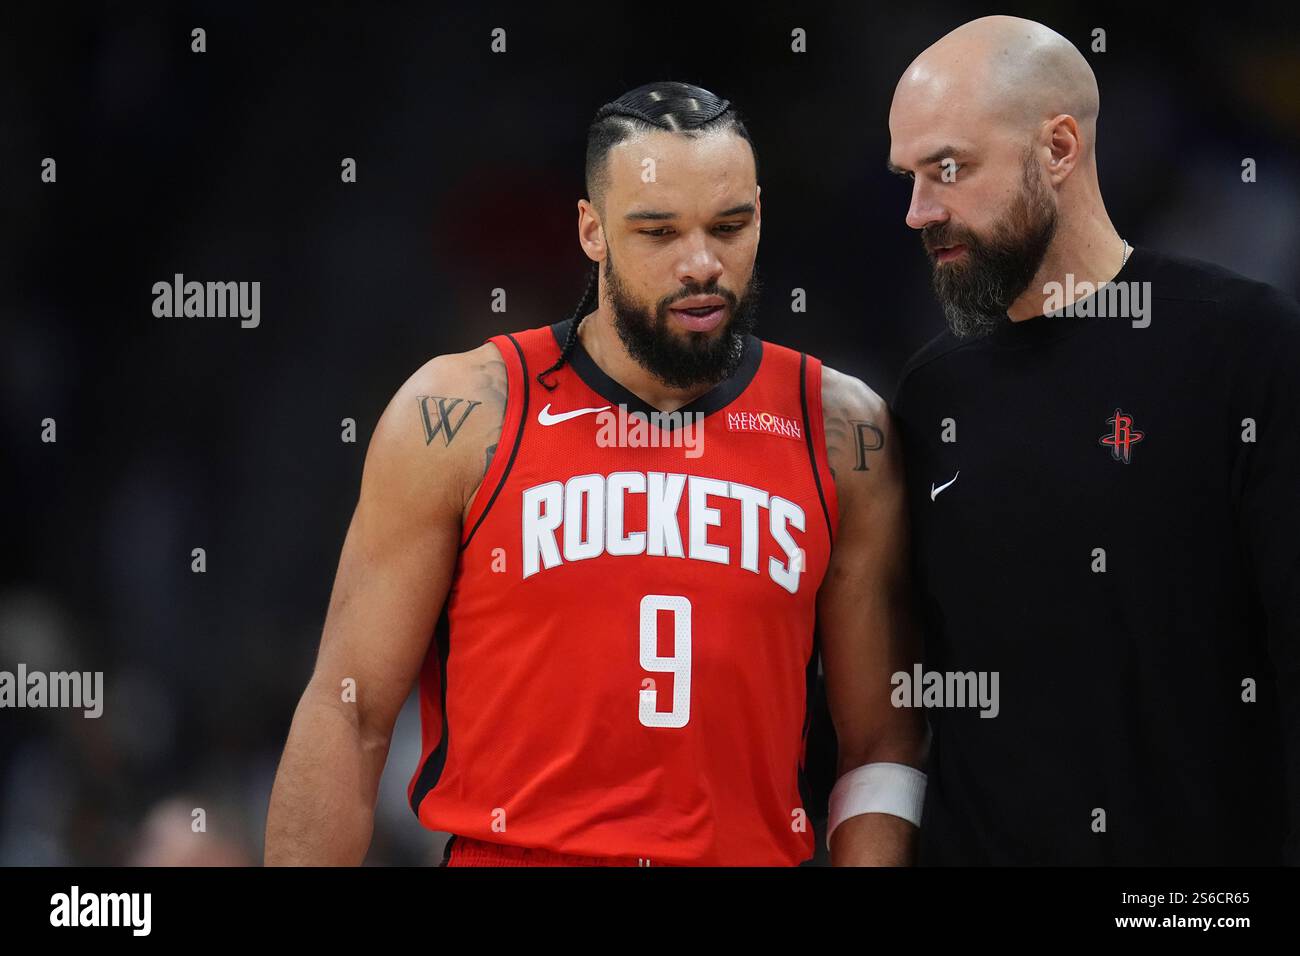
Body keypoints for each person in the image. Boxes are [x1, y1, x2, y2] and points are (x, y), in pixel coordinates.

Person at [265, 81, 926, 866]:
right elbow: (351, 712)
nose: (701, 264)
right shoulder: (461, 413)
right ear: (592, 231)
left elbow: (882, 745)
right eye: (657, 232)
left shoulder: (844, 432)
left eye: (729, 226)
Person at [888, 15, 1300, 864]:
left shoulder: (1243, 345)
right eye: (910, 177)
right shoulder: (931, 394)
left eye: (948, 170)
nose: (918, 211)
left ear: (1060, 148)